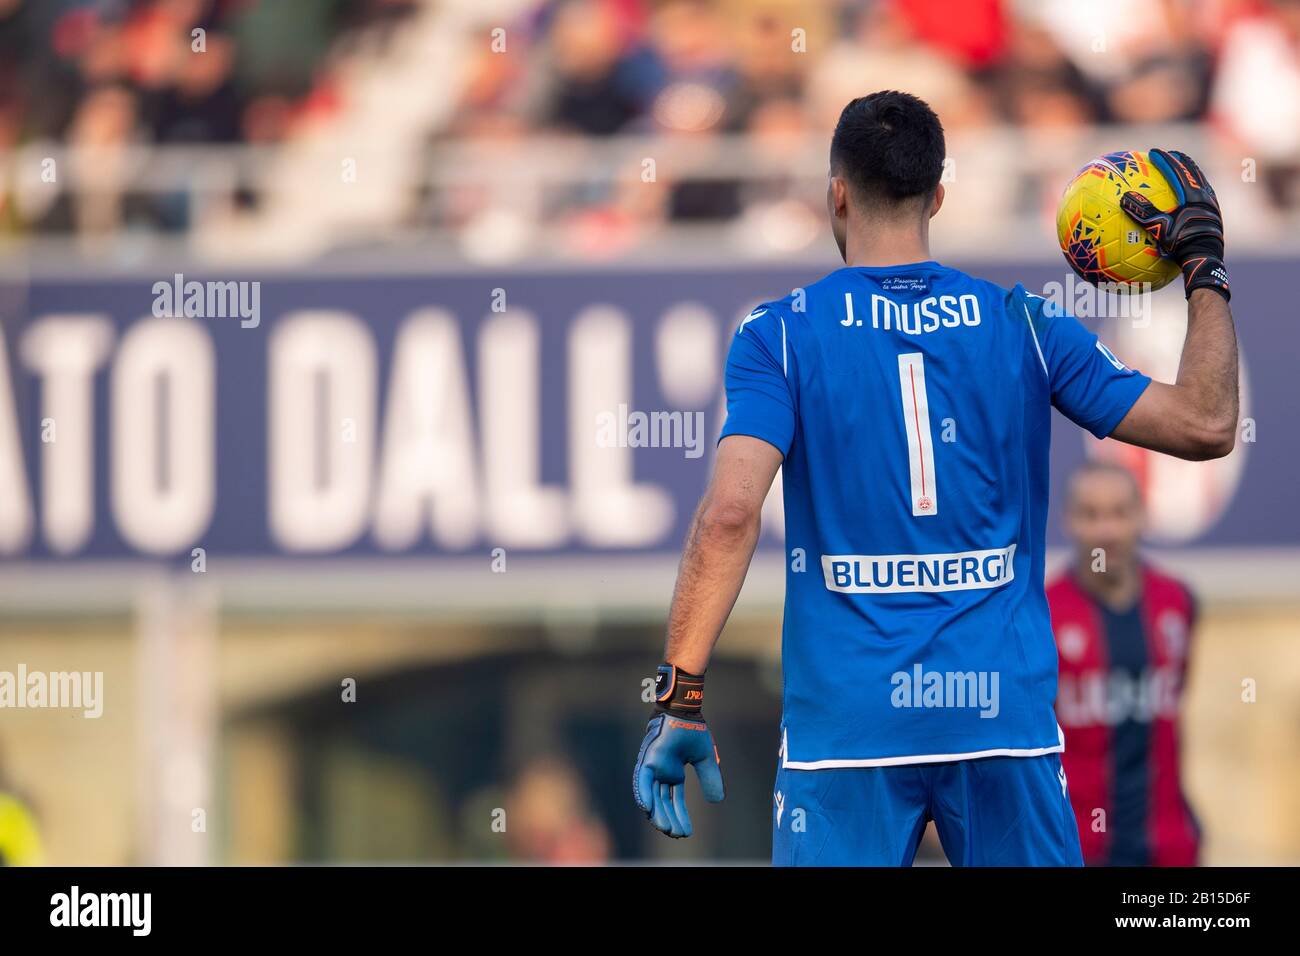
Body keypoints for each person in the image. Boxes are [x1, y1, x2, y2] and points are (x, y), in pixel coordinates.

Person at [631, 89, 1237, 865]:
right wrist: (1204, 270)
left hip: (846, 733)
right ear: (938, 196)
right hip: (1000, 723)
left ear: (836, 193)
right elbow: (1206, 426)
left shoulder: (778, 334)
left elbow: (728, 515)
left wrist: (679, 697)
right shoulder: (1025, 324)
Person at [1049, 461, 1202, 865]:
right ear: (1068, 520)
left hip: (1168, 846)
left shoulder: (1177, 602)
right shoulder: (1043, 614)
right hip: (1076, 848)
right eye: (1091, 514)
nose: (1107, 531)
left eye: (1119, 512)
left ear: (1141, 516)